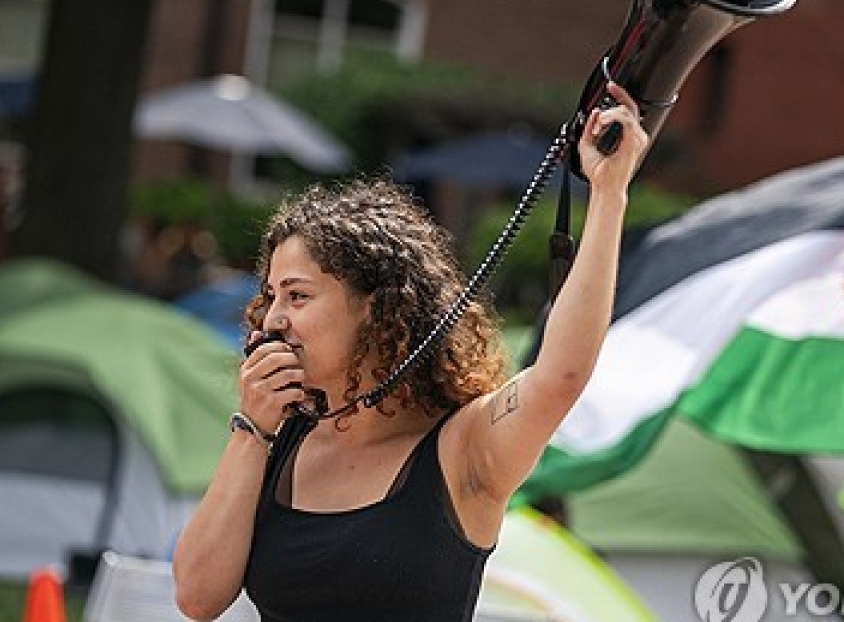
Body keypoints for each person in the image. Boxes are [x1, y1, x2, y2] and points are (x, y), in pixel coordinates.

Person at [172, 82, 649, 622]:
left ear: (375, 309)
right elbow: (196, 596)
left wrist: (609, 195)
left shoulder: (463, 447)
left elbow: (559, 377)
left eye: (298, 295)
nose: (274, 318)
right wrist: (252, 430)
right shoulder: (279, 439)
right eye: (271, 296)